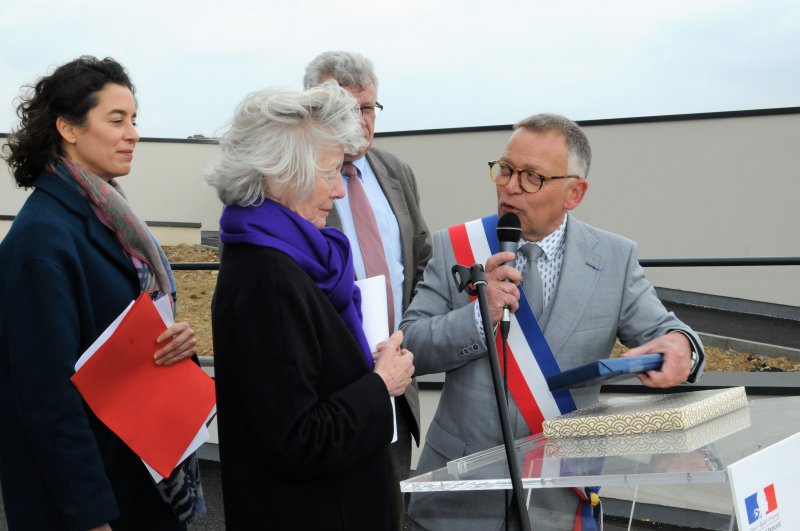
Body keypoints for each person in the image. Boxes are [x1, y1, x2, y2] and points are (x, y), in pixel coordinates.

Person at [400, 113, 706, 531]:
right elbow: (412, 346)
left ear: (574, 192)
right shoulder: (455, 245)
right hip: (457, 494)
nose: (510, 186)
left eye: (532, 177)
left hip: (560, 499)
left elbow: (667, 333)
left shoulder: (614, 258)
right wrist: (478, 315)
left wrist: (681, 347)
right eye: (505, 169)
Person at [0, 56, 202, 531]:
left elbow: (121, 337)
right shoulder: (43, 241)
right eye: (117, 120)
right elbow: (46, 400)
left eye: (134, 120)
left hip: (139, 468)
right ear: (68, 128)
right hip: (97, 500)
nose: (133, 133)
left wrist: (176, 342)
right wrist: (93, 518)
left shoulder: (109, 218)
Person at [207, 81, 416, 531]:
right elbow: (297, 441)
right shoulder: (270, 278)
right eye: (330, 173)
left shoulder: (293, 258)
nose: (340, 191)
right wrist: (381, 386)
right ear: (280, 172)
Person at [304, 51, 433, 531]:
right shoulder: (295, 181)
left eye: (369, 108)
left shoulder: (395, 171)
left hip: (394, 375)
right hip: (329, 385)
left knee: (388, 508)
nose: (362, 121)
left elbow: (420, 261)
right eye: (348, 107)